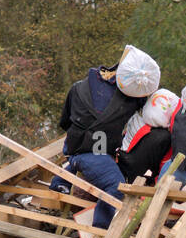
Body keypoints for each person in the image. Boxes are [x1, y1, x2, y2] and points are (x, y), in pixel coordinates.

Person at [53, 46, 159, 226]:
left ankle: (59, 181)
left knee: (90, 153)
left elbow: (65, 122)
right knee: (117, 187)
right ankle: (100, 231)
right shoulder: (130, 99)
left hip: (77, 147)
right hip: (93, 152)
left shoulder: (78, 87)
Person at [117, 89, 180, 184]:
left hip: (119, 167)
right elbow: (162, 166)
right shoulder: (165, 137)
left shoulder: (135, 118)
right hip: (138, 178)